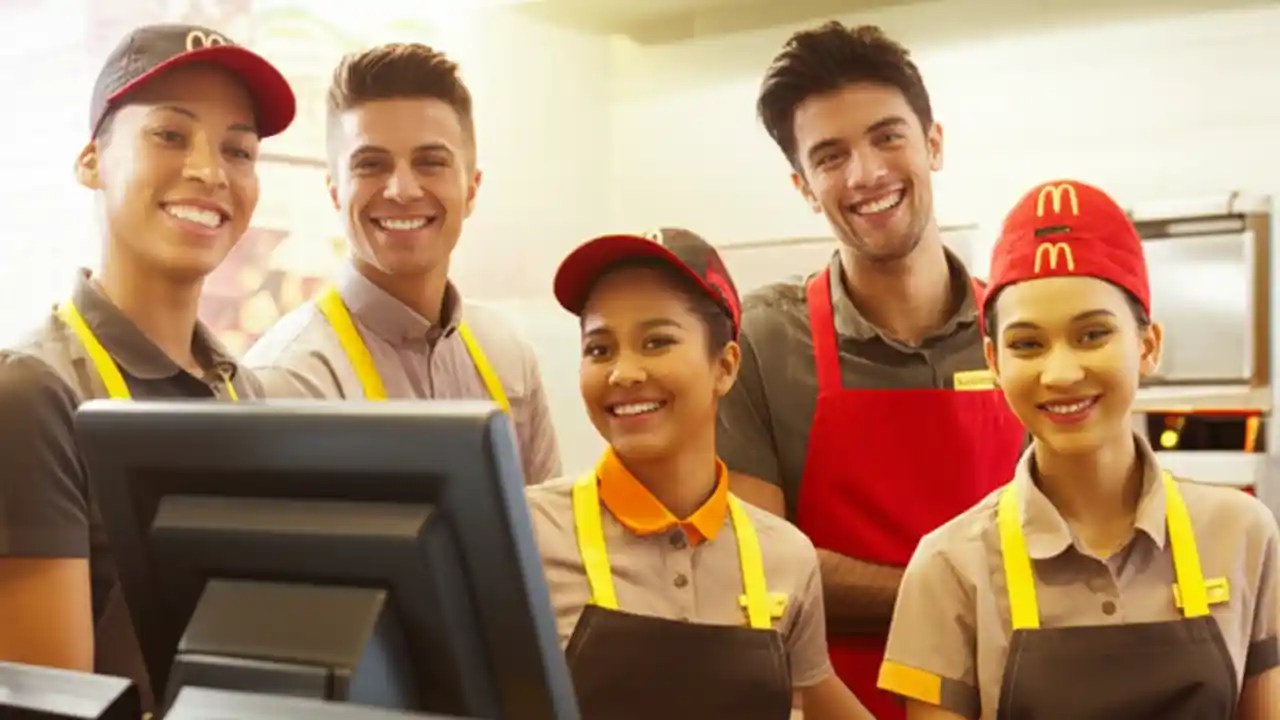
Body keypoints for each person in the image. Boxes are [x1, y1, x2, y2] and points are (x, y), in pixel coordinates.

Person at [878, 179, 1280, 719]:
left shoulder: (1243, 534)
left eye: (1092, 335)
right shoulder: (950, 566)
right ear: (995, 363)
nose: (1062, 372)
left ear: (1148, 345)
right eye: (1028, 345)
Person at [717, 21, 1027, 718]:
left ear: (934, 143)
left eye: (888, 136)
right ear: (803, 185)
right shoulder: (762, 339)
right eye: (830, 156)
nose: (866, 174)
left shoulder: (1020, 331)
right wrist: (962, 598)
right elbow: (758, 569)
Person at [0, 23, 295, 709]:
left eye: (239, 149)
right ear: (91, 161)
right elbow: (52, 707)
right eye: (170, 134)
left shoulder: (245, 393)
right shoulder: (32, 394)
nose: (210, 170)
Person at [529, 228, 874, 720]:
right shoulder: (527, 535)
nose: (623, 372)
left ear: (726, 366)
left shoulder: (784, 555)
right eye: (599, 349)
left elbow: (817, 694)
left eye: (656, 342)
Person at [244, 43, 560, 485]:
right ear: (336, 193)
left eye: (431, 163)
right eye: (371, 164)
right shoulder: (288, 382)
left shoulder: (508, 357)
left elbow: (542, 541)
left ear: (472, 188)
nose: (402, 189)